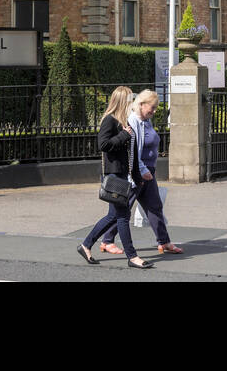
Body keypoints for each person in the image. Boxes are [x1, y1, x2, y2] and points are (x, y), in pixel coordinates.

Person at [97, 89, 183, 256]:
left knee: (154, 206)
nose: (154, 111)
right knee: (123, 208)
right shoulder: (132, 120)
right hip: (136, 171)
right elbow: (133, 149)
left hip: (148, 171)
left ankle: (164, 241)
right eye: (152, 107)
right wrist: (141, 170)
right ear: (142, 104)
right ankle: (107, 240)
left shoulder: (147, 120)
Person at [76, 86, 152, 269]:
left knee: (113, 216)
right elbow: (103, 144)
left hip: (123, 175)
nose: (132, 103)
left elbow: (131, 153)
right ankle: (132, 256)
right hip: (113, 175)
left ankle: (86, 245)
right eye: (129, 100)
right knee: (123, 216)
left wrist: (136, 175)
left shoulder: (125, 121)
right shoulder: (110, 120)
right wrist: (123, 135)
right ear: (121, 101)